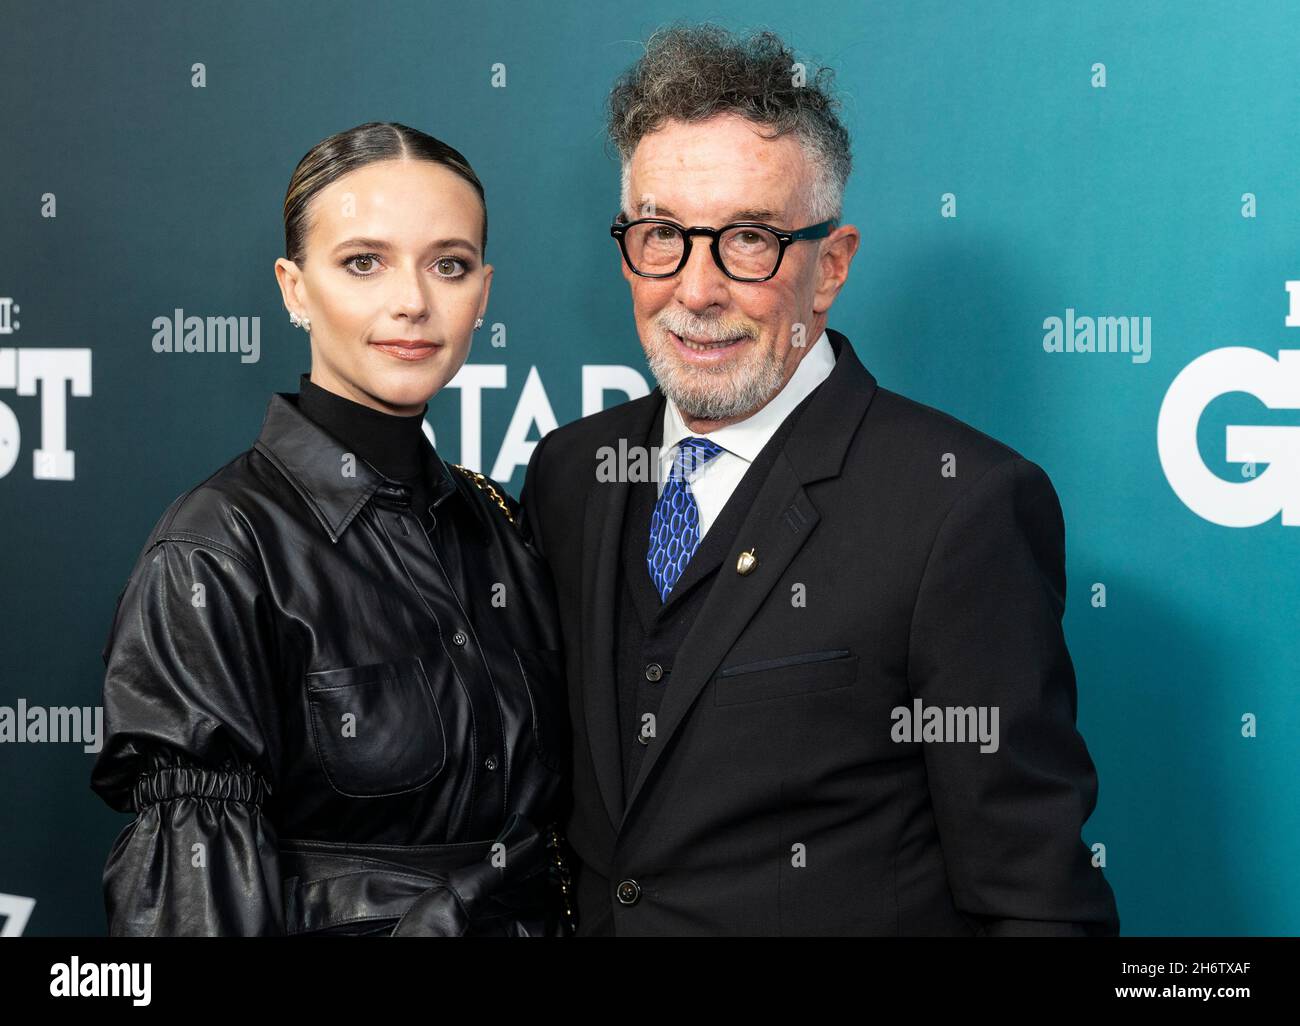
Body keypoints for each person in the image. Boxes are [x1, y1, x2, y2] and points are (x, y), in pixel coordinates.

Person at [519, 25, 1120, 936]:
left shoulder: (960, 507)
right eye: (662, 236)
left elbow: (1035, 904)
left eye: (749, 239)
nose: (696, 289)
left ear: (830, 266)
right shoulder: (570, 473)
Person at [91, 121, 573, 936]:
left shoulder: (499, 524)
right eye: (363, 262)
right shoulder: (216, 550)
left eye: (449, 265)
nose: (412, 301)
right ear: (294, 288)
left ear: (483, 294)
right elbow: (190, 907)